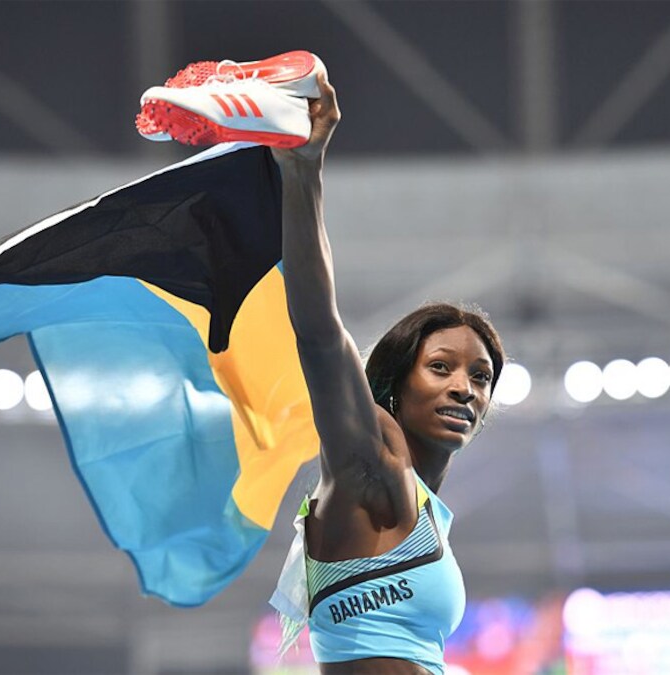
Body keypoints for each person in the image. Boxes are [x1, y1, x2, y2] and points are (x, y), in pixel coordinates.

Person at [272, 70, 506, 675]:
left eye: (480, 378)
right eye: (441, 367)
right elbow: (321, 333)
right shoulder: (371, 470)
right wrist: (303, 172)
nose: (465, 387)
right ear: (394, 386)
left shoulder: (423, 509)